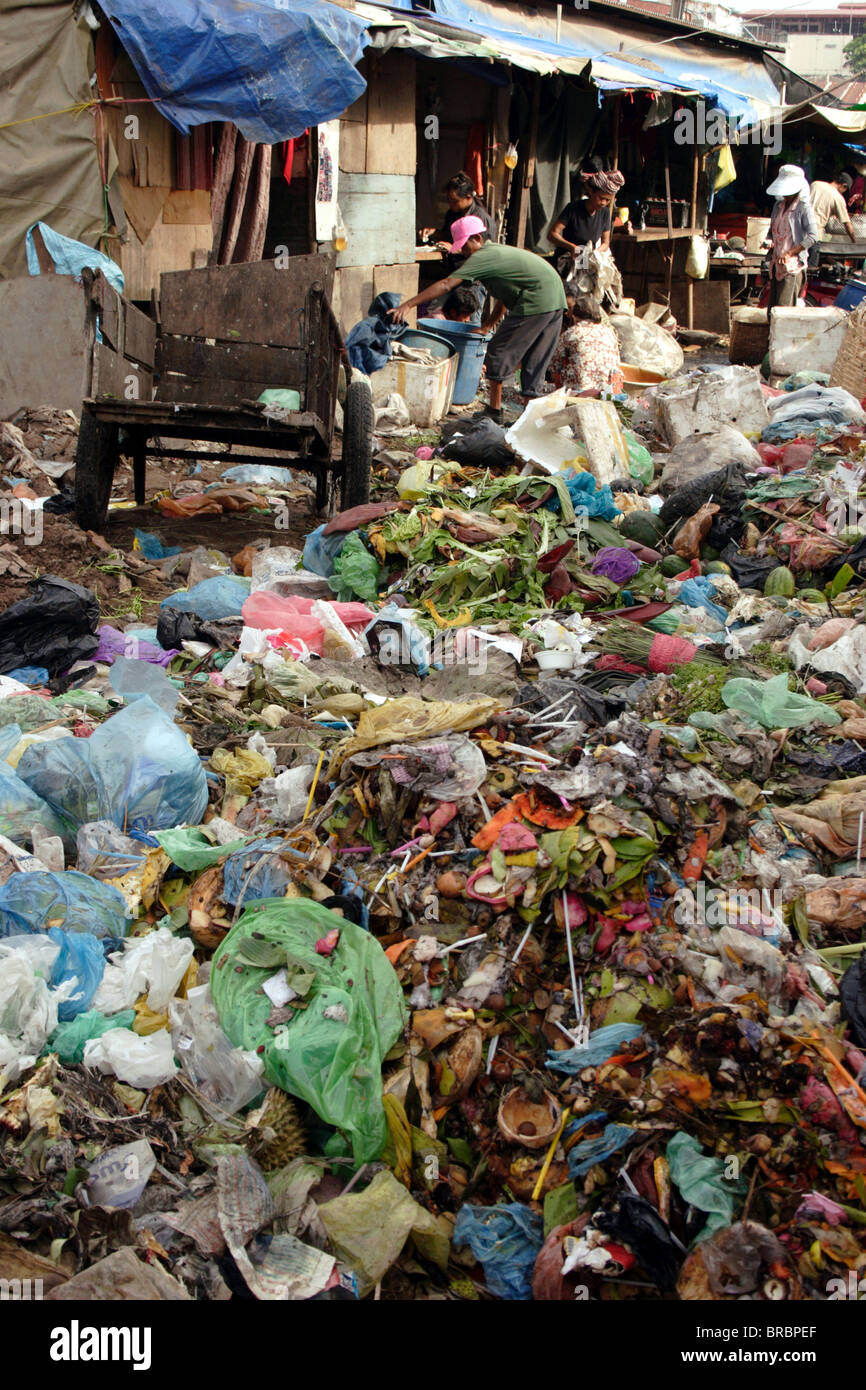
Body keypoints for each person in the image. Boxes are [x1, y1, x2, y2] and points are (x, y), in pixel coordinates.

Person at [389, 215, 567, 423]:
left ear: (477, 239)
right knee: (535, 359)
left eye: (465, 247)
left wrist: (408, 304)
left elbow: (447, 284)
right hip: (556, 298)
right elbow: (506, 297)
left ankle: (494, 409)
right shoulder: (499, 254)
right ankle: (528, 420)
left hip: (538, 299)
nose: (464, 253)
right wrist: (488, 325)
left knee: (498, 351)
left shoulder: (484, 256)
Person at [419, 172, 496, 320]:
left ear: (468, 198)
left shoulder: (480, 219)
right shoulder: (453, 213)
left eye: (454, 201)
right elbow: (448, 234)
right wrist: (434, 233)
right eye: (449, 200)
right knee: (439, 314)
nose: (451, 204)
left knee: (471, 320)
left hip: (473, 280)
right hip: (454, 274)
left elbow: (480, 252)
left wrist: (455, 248)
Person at [547, 169, 626, 279]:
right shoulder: (573, 208)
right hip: (565, 262)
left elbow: (605, 242)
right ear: (591, 192)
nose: (603, 203)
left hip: (586, 261)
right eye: (601, 198)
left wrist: (595, 253)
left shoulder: (605, 213)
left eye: (607, 200)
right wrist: (572, 247)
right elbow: (552, 234)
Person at [766, 164, 818, 308]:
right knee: (772, 310)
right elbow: (772, 230)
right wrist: (769, 241)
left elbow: (813, 236)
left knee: (783, 309)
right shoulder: (778, 206)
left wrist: (790, 253)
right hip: (776, 264)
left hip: (792, 267)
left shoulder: (804, 208)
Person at [549, 294, 623, 395]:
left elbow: (554, 365)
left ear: (575, 316)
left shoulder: (571, 333)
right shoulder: (609, 332)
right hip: (609, 391)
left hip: (579, 391)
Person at [808, 172, 856, 266]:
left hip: (798, 229)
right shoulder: (838, 198)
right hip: (814, 234)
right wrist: (853, 240)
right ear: (843, 185)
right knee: (810, 269)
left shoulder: (815, 184)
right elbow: (847, 224)